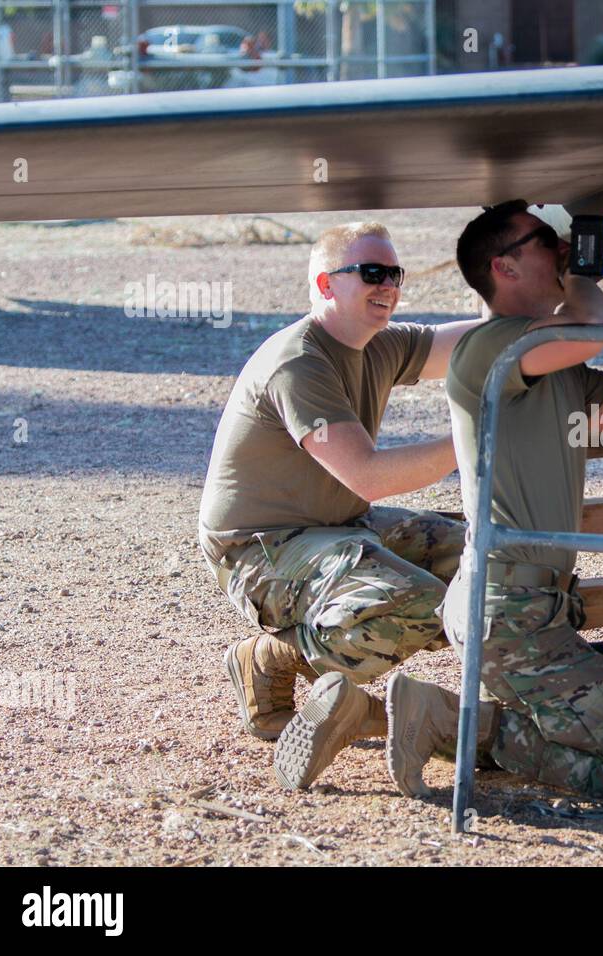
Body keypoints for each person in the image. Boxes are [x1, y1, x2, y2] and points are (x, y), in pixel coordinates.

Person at [383, 200, 603, 802]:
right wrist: (587, 268)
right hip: (508, 607)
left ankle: (420, 718)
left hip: (524, 607)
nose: (560, 250)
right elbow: (592, 328)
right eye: (547, 240)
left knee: (583, 740)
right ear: (503, 267)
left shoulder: (550, 365)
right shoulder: (490, 350)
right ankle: (447, 720)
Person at [197, 221, 479, 790]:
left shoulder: (377, 343)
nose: (389, 286)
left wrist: (545, 292)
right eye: (372, 273)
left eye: (394, 274)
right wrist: (474, 440)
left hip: (340, 524)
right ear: (327, 285)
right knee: (416, 605)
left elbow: (474, 345)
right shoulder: (298, 361)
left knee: (486, 554)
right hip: (263, 547)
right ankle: (270, 658)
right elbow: (368, 475)